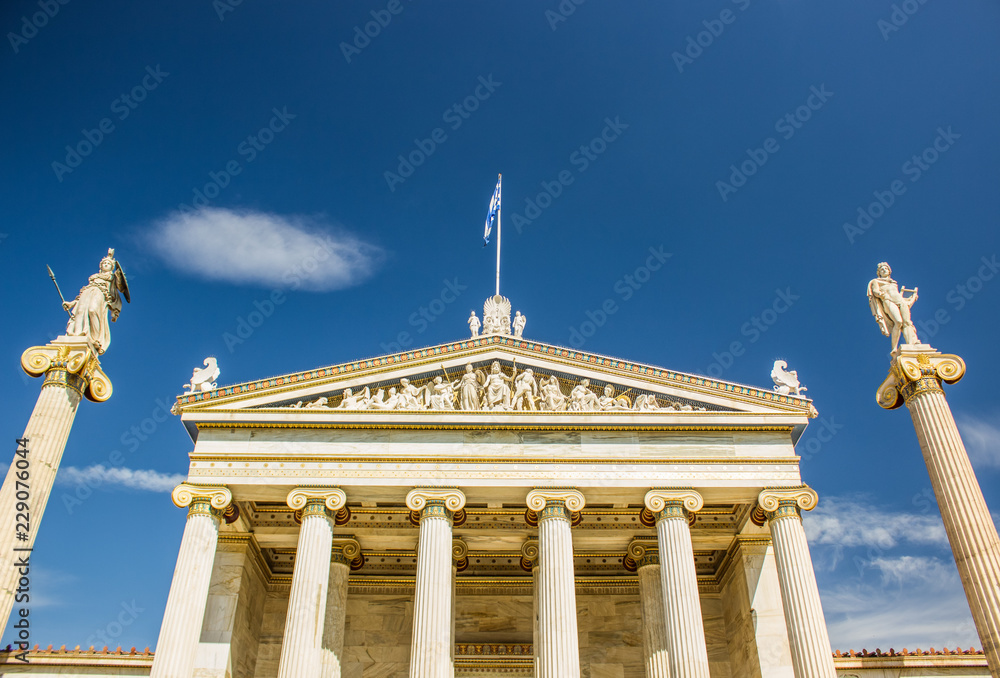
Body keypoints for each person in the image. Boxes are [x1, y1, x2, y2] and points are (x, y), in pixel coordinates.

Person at [63, 248, 130, 354]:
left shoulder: (111, 277)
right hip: (88, 293)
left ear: (112, 267)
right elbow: (80, 296)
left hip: (100, 293)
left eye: (108, 263)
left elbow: (121, 288)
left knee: (92, 310)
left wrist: (119, 277)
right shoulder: (93, 278)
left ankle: (95, 338)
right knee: (80, 312)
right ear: (101, 265)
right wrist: (71, 303)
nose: (106, 264)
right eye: (104, 263)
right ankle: (77, 334)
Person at [868, 262, 919, 350]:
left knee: (907, 322)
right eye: (881, 269)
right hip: (888, 300)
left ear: (889, 271)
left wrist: (911, 298)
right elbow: (875, 291)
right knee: (898, 322)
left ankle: (912, 343)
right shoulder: (876, 281)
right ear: (879, 273)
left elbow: (897, 294)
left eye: (886, 268)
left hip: (900, 301)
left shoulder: (893, 283)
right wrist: (880, 294)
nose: (884, 270)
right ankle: (894, 348)